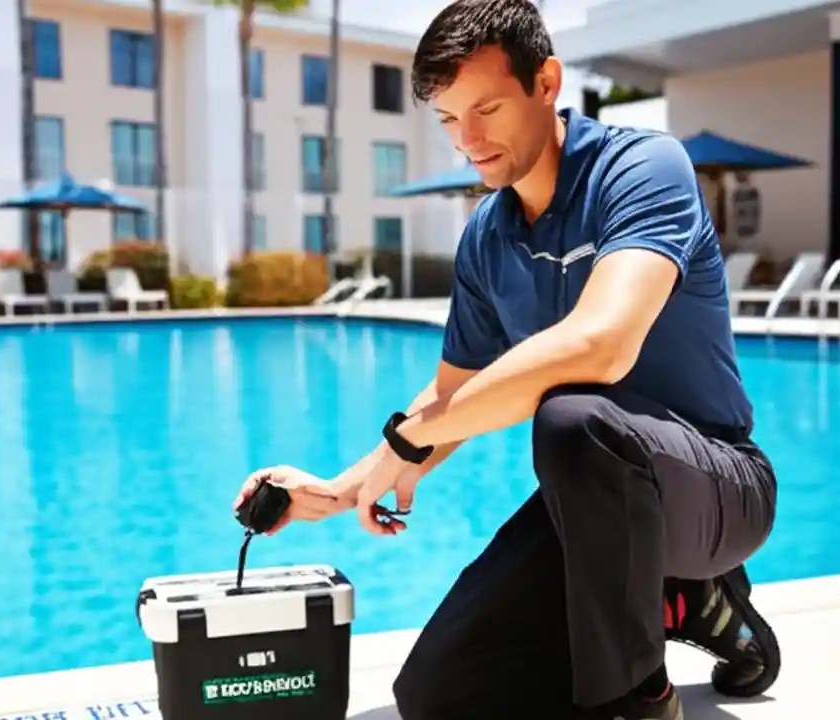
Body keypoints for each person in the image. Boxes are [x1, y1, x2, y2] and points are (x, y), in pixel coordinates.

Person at [231, 0, 780, 717]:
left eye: (486, 108)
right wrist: (338, 491)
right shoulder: (487, 237)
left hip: (717, 487)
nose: (469, 139)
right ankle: (689, 603)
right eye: (450, 119)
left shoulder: (641, 167)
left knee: (572, 416)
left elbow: (601, 345)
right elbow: (449, 403)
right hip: (595, 503)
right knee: (435, 694)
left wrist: (411, 436)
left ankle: (638, 698)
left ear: (546, 82)